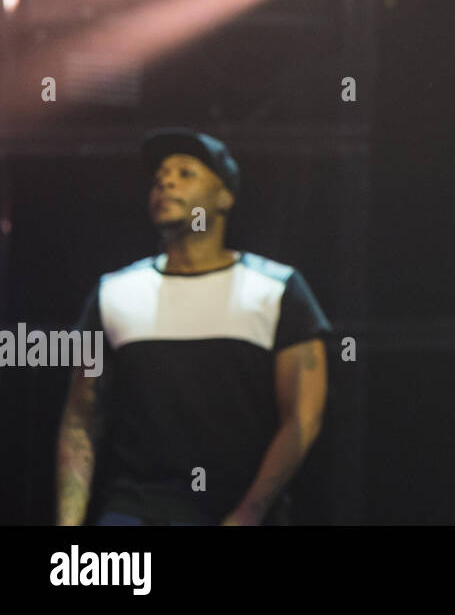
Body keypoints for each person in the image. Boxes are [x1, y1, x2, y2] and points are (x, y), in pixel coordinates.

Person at [55, 128, 331, 525]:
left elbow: (303, 417)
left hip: (242, 514)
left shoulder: (277, 290)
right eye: (159, 177)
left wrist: (248, 514)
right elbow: (81, 420)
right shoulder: (114, 293)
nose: (165, 181)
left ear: (224, 196)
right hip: (134, 512)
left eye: (185, 173)